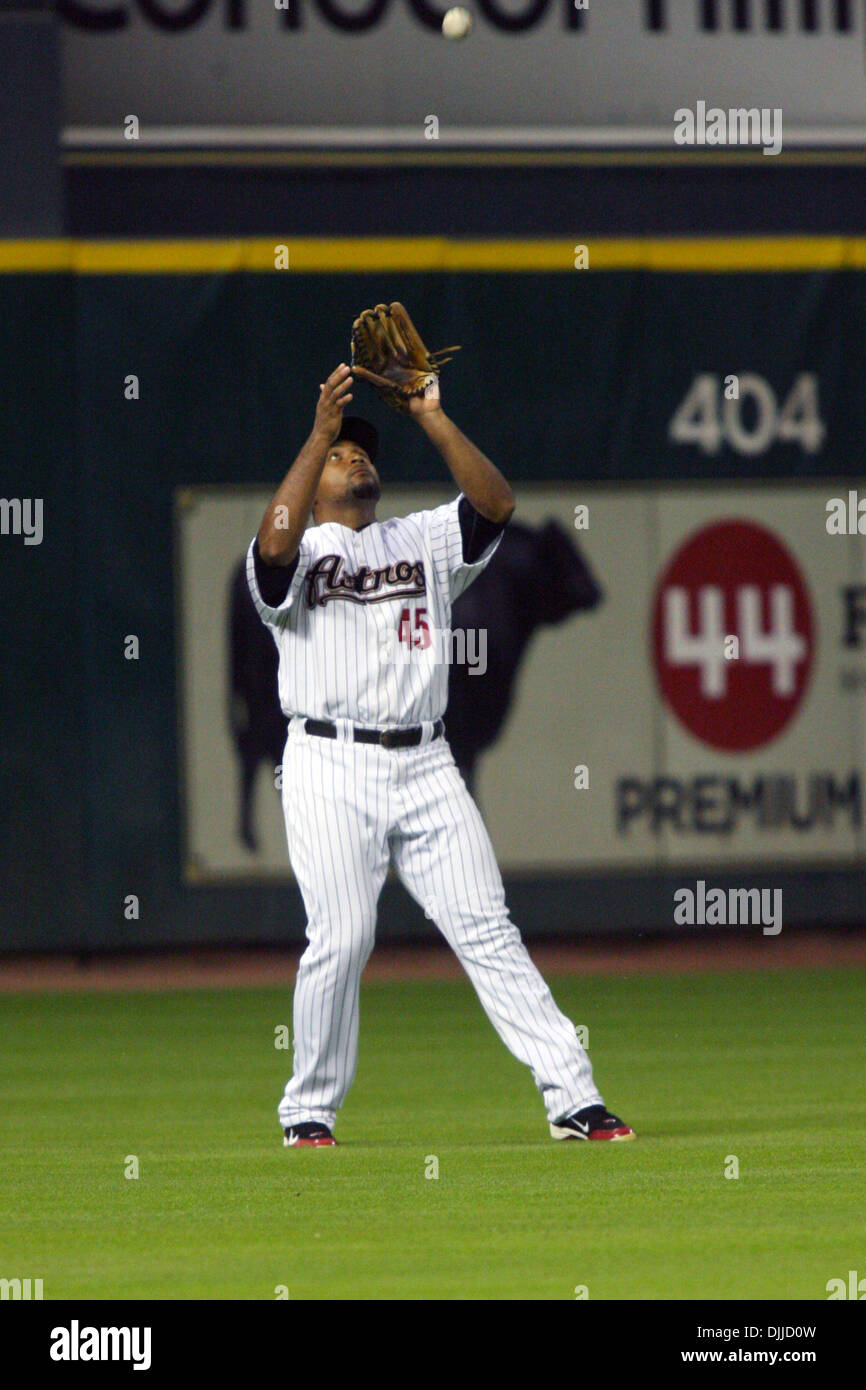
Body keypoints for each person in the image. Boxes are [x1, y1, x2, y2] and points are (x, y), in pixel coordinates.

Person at [247, 361, 635, 1147]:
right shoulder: (301, 550)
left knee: (487, 929)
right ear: (313, 478)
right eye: (338, 455)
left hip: (426, 762)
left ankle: (575, 1098)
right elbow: (271, 550)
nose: (355, 458)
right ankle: (309, 1110)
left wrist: (429, 414)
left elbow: (495, 502)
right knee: (345, 934)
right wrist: (318, 431)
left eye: (362, 451)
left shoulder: (420, 537)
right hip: (328, 762)